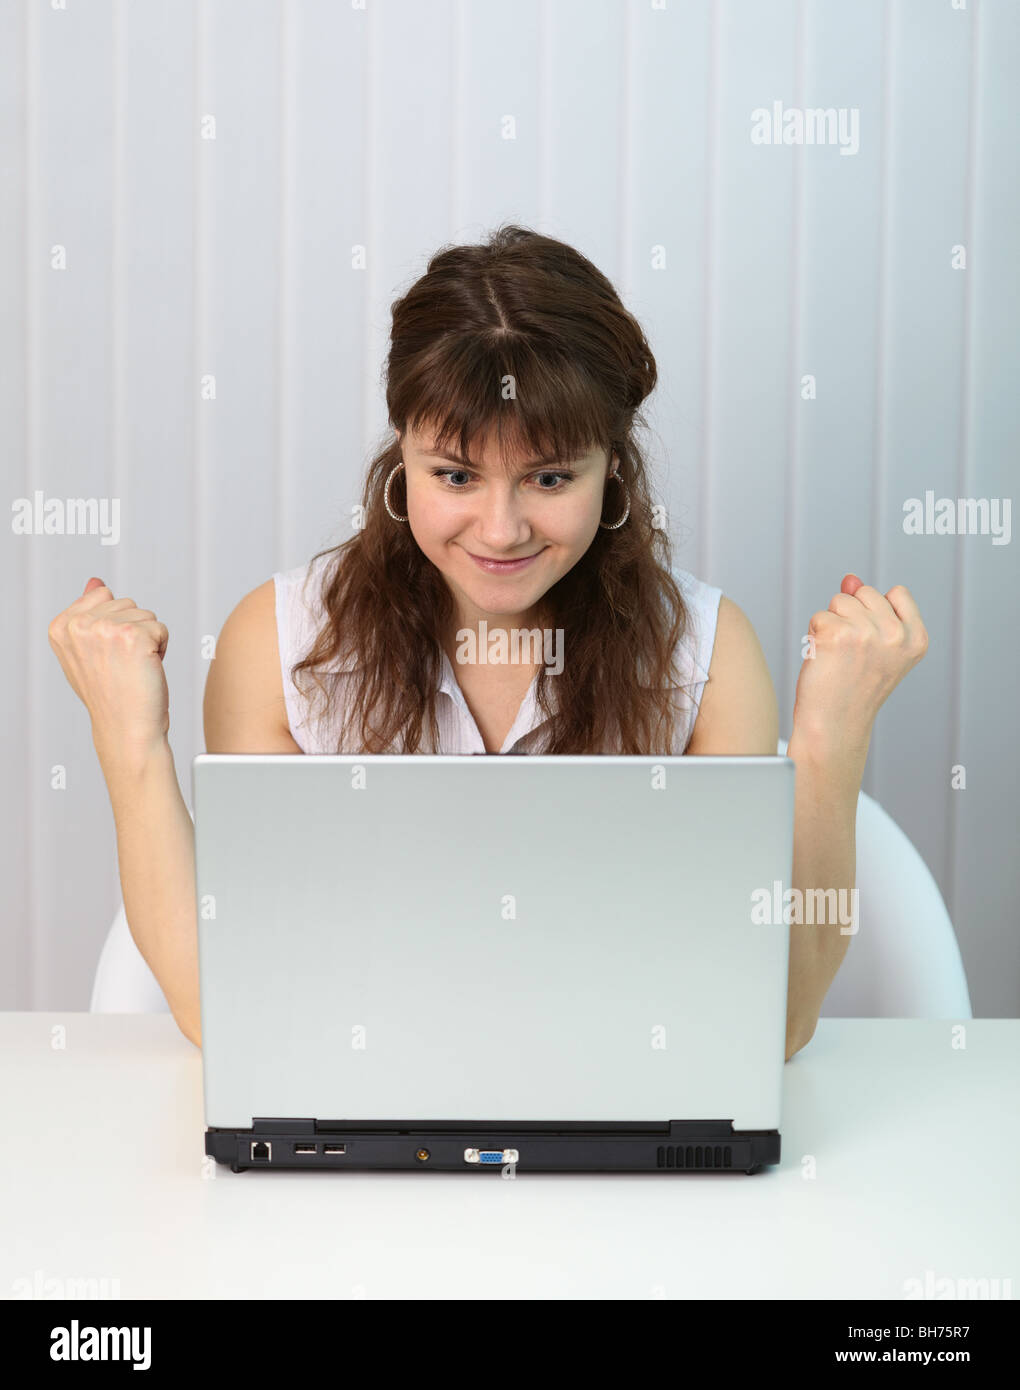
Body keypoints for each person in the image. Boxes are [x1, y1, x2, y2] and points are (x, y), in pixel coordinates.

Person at [47, 224, 928, 1053]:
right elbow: (226, 1010)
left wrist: (830, 736)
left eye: (549, 477)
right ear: (403, 456)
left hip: (614, 1140)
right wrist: (129, 735)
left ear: (612, 467)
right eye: (455, 475)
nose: (500, 530)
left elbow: (774, 1026)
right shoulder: (279, 646)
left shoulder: (704, 652)